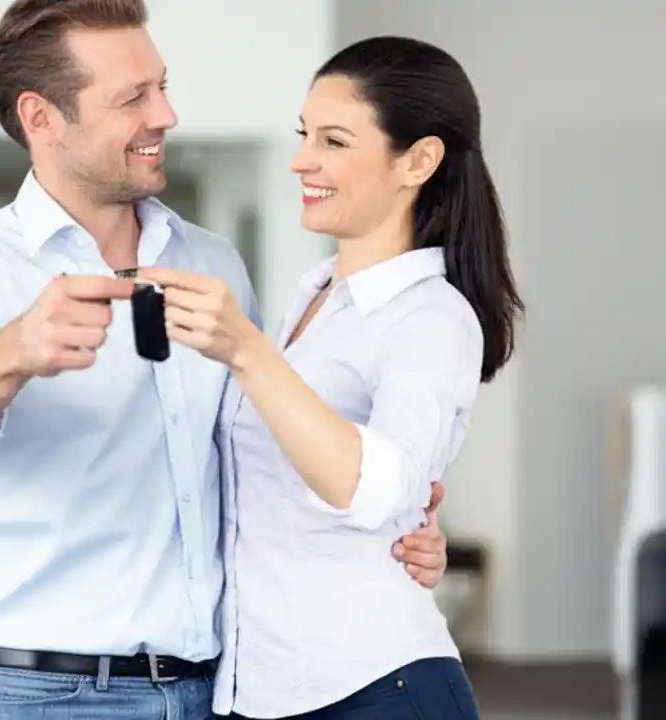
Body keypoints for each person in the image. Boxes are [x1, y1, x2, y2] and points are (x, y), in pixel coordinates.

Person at [0, 2, 451, 716]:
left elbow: (258, 454)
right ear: (41, 117)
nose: (166, 115)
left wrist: (394, 525)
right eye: (133, 98)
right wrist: (13, 353)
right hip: (47, 696)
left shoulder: (213, 263)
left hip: (214, 689)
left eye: (163, 86)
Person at [138, 35, 524, 719]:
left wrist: (248, 353)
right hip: (264, 691)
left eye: (334, 141)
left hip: (373, 688)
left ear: (419, 161)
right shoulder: (314, 297)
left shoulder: (432, 316)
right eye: (304, 135)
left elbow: (375, 489)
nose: (302, 160)